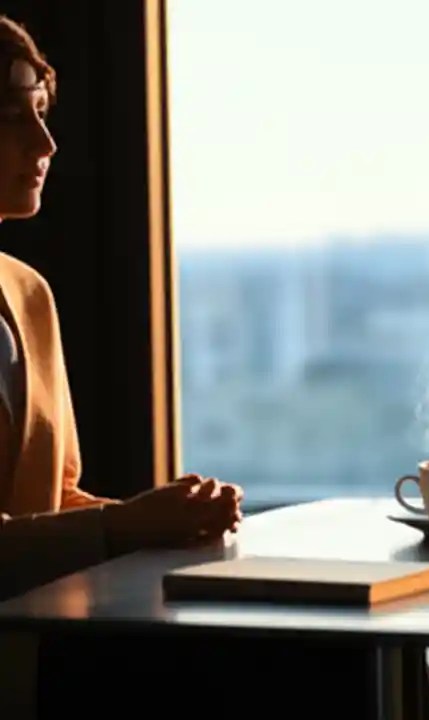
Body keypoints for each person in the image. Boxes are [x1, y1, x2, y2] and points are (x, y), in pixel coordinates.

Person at [0, 15, 244, 717]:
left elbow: (53, 499)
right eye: (13, 117)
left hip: (40, 646)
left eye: (43, 114)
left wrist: (168, 518)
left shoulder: (27, 293)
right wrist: (125, 528)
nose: (45, 143)